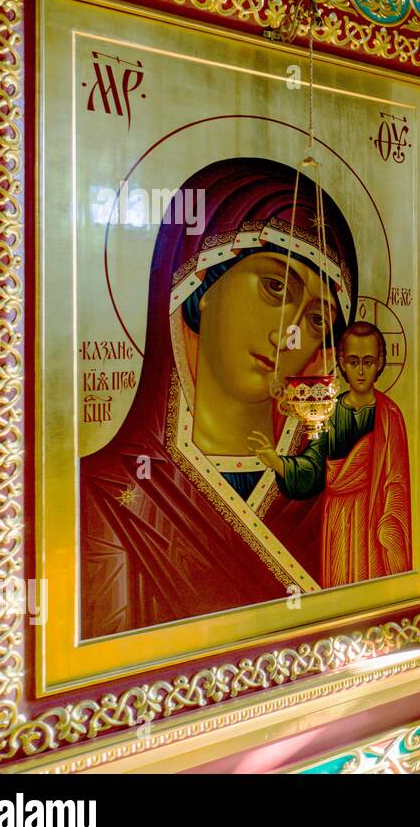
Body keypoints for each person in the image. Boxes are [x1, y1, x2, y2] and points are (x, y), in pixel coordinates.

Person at [78, 158, 361, 637]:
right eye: (276, 287)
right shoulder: (106, 498)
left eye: (318, 320)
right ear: (200, 283)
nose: (290, 336)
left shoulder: (333, 492)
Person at [252, 321, 412, 588]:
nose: (361, 371)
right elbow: (314, 465)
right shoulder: (330, 411)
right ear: (341, 362)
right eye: (353, 361)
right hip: (338, 519)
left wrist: (389, 529)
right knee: (340, 581)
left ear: (380, 362)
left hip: (373, 520)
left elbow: (397, 482)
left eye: (368, 361)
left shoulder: (390, 416)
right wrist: (276, 462)